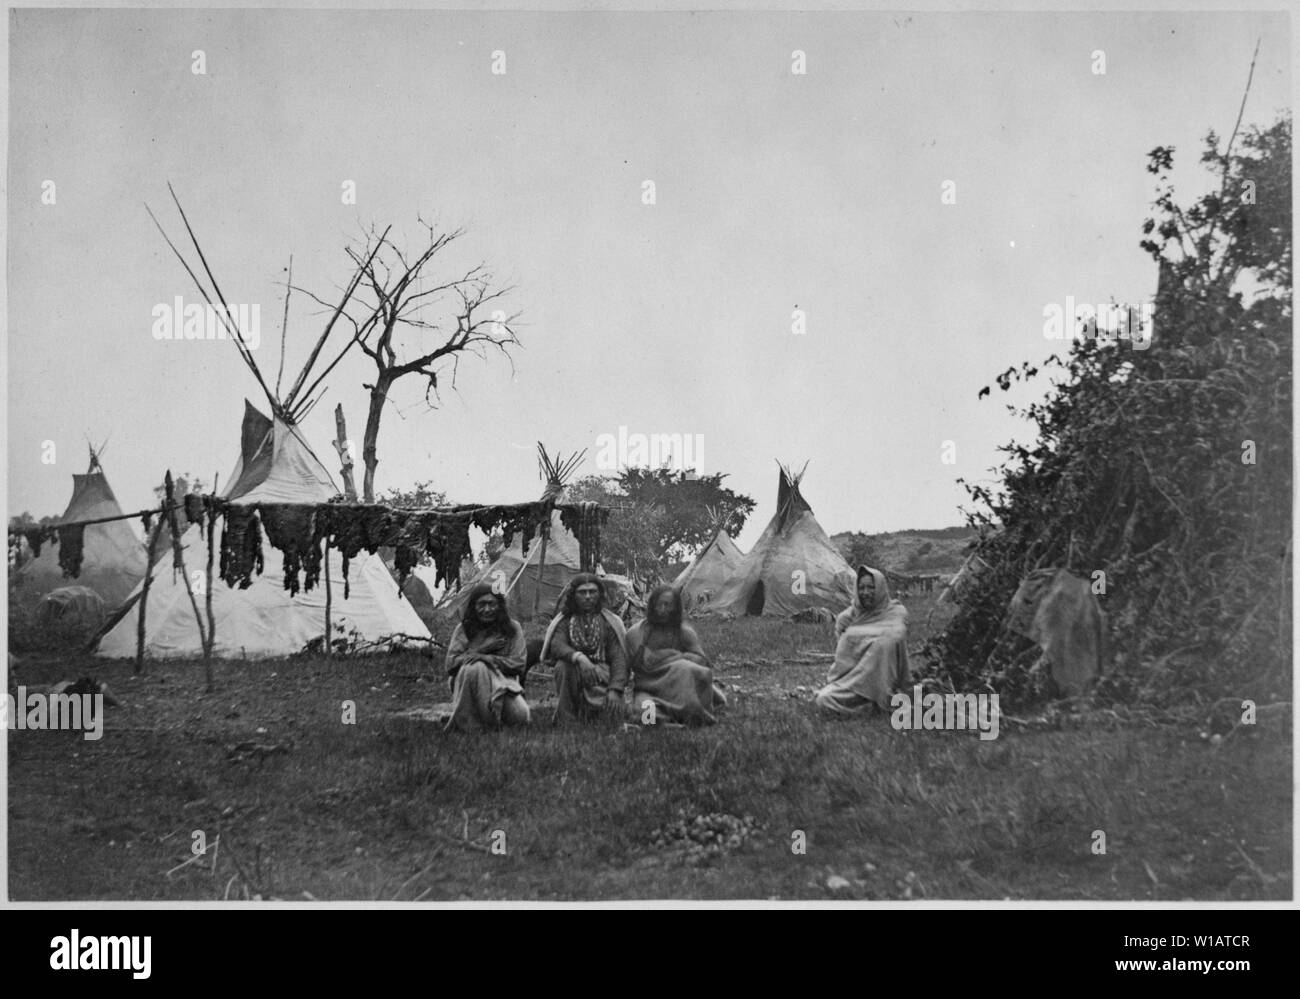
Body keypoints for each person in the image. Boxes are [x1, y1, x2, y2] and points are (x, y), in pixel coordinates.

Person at [814, 565, 911, 717]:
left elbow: (895, 643)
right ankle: (869, 709)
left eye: (871, 587)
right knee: (824, 700)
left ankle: (879, 703)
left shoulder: (896, 613)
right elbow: (843, 659)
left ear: (880, 588)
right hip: (852, 684)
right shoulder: (847, 618)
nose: (866, 593)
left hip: (886, 684)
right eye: (862, 588)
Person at [624, 584, 726, 726]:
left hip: (681, 690)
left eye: (668, 605)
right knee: (646, 716)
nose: (663, 610)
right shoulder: (636, 633)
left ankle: (686, 715)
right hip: (649, 690)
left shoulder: (684, 632)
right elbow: (644, 663)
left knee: (691, 703)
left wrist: (673, 657)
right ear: (651, 606)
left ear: (676, 608)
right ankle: (670, 722)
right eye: (659, 605)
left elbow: (701, 663)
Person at [444, 582, 530, 732]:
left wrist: (489, 659)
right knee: (475, 667)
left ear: (500, 606)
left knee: (521, 716)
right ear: (473, 607)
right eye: (481, 604)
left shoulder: (513, 628)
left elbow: (519, 664)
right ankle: (483, 724)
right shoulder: (464, 629)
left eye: (492, 604)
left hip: (504, 684)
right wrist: (482, 651)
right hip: (468, 682)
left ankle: (467, 717)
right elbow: (450, 664)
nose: (487, 609)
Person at [543, 573, 629, 723]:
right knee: (563, 666)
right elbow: (557, 645)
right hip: (575, 674)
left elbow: (619, 658)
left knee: (613, 718)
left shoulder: (610, 622)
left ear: (600, 594)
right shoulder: (565, 620)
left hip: (602, 678)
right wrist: (580, 658)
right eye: (582, 592)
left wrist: (615, 690)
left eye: (592, 592)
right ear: (573, 595)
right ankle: (566, 720)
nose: (588, 596)